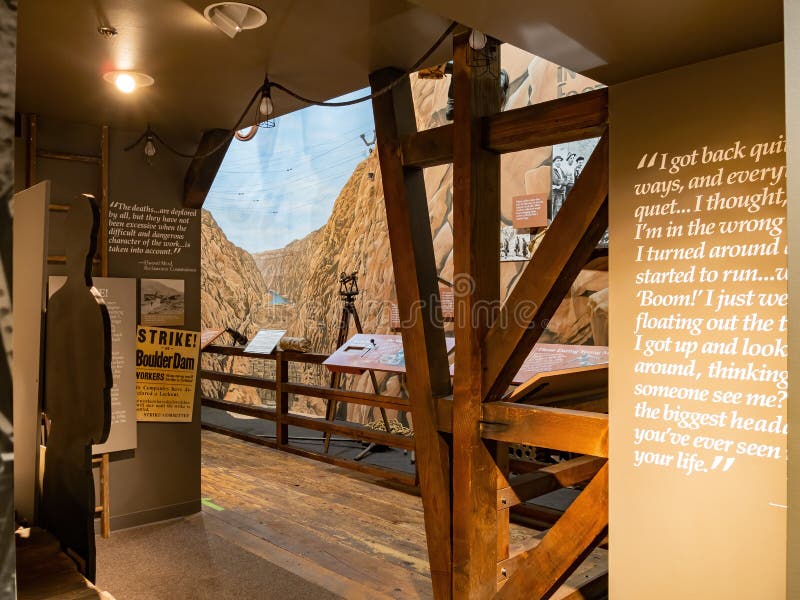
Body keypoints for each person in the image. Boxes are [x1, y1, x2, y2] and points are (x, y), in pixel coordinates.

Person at [41, 195, 111, 583]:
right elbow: (96, 379)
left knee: (59, 504)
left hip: (61, 433)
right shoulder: (87, 305)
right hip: (75, 431)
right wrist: (94, 429)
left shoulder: (57, 302)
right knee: (72, 512)